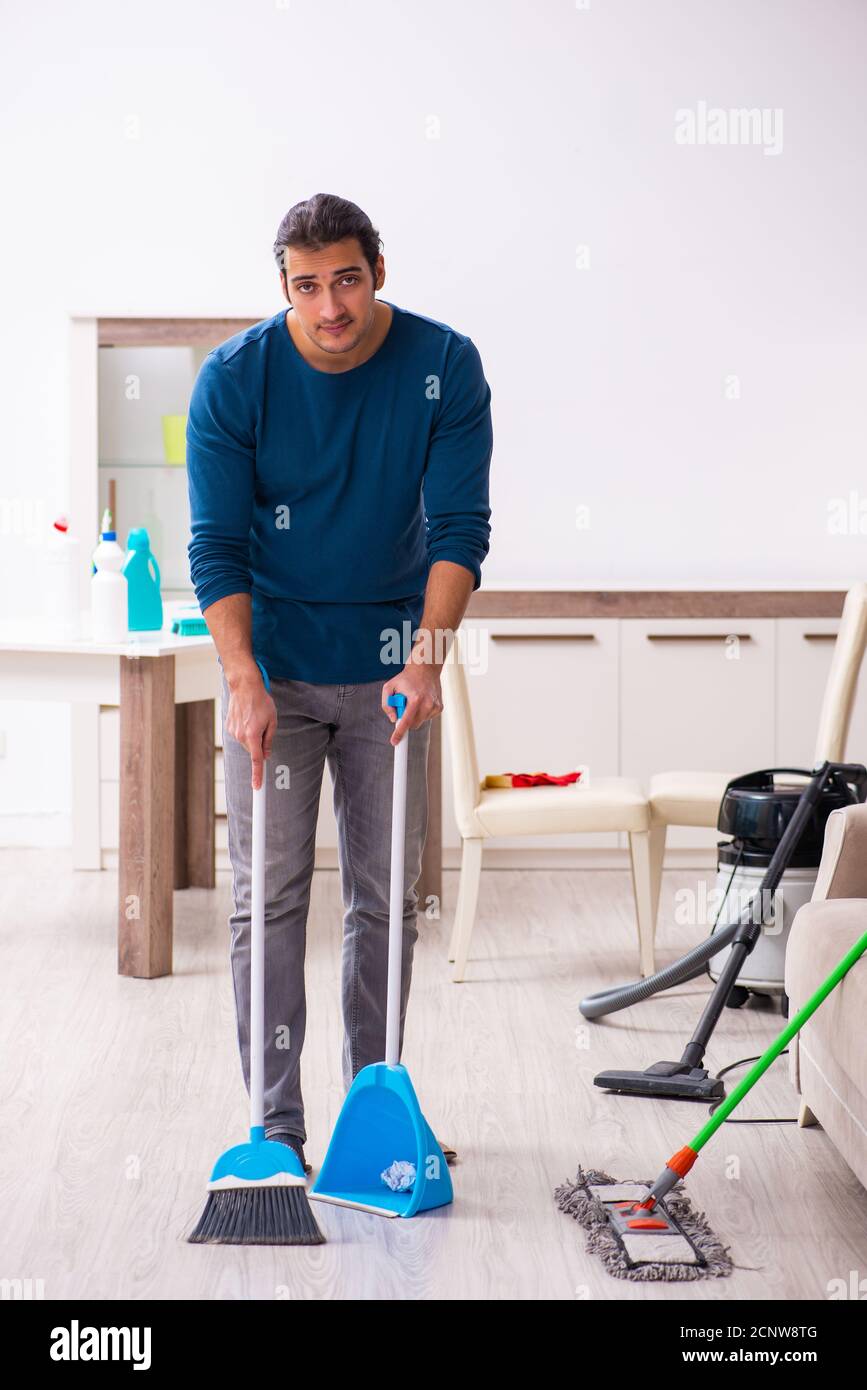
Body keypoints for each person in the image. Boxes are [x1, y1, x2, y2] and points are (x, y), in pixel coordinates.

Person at [186, 192, 493, 1172]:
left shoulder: (445, 367)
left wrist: (426, 658)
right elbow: (217, 544)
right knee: (267, 899)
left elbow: (459, 532)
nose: (330, 306)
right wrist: (241, 675)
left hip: (390, 671)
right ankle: (275, 1126)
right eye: (308, 285)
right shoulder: (236, 381)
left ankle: (375, 1105)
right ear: (284, 286)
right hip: (275, 670)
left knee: (383, 901)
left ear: (379, 273)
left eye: (347, 279)